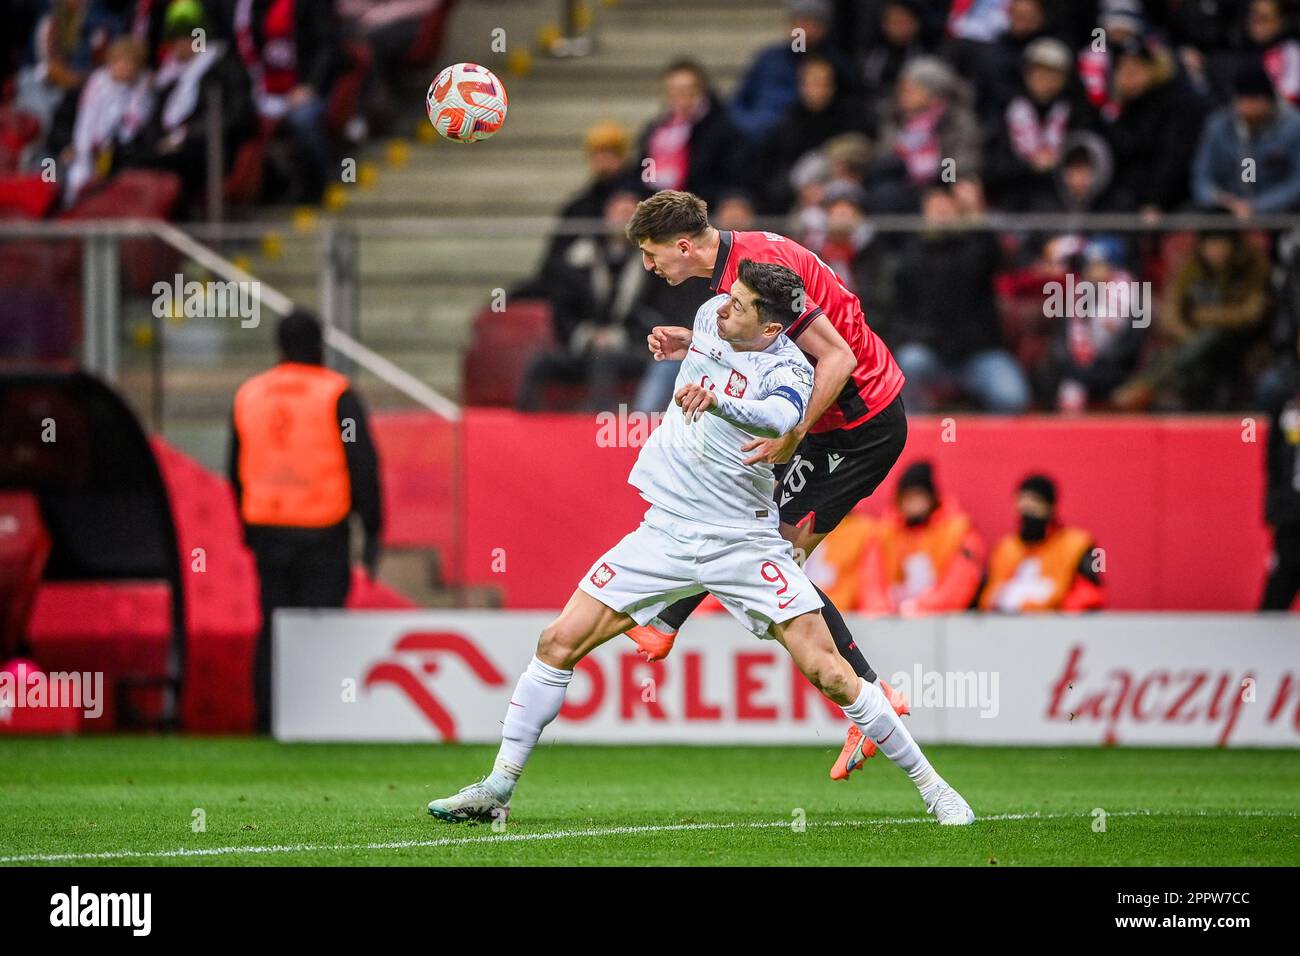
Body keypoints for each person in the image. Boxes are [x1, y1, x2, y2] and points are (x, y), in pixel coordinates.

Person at [427, 262, 974, 826]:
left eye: (740, 304)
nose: (724, 305)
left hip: (741, 540)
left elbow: (776, 417)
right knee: (556, 641)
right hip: (665, 530)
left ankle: (936, 791)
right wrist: (685, 343)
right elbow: (717, 346)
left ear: (771, 329)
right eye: (730, 295)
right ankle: (498, 788)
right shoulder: (713, 315)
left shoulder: (790, 369)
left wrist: (716, 402)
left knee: (832, 674)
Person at [624, 189, 912, 782]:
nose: (649, 266)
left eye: (653, 254)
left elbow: (837, 359)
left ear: (684, 246)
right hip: (826, 426)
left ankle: (873, 695)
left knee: (771, 553)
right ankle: (668, 623)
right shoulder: (741, 264)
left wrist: (793, 432)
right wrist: (695, 343)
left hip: (858, 426)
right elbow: (774, 346)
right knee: (744, 531)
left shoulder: (759, 267)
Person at [227, 311, 383, 732]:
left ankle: (268, 717)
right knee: (323, 627)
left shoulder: (250, 394)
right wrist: (372, 529)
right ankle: (322, 715)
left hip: (267, 527)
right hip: (322, 529)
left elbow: (235, 466)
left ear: (279, 347)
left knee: (274, 623)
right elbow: (362, 463)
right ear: (320, 346)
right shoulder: (336, 395)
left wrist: (247, 526)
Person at [853, 461, 985, 616]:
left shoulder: (959, 531)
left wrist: (919, 608)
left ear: (932, 498)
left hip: (941, 621)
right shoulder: (884, 534)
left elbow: (960, 582)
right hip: (894, 619)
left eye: (919, 496)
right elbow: (870, 582)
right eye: (907, 497)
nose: (913, 504)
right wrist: (880, 610)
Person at [979, 474, 1105, 612]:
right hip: (1008, 622)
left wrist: (1058, 613)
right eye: (1023, 503)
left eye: (1036, 502)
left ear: (1051, 506)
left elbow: (1093, 592)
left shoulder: (1081, 544)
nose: (1028, 510)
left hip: (1057, 622)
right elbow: (989, 594)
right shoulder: (1005, 548)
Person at [1192, 62, 1300, 217]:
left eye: (1255, 100)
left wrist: (1257, 206)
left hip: (1279, 216)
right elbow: (1201, 176)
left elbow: (1296, 184)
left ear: (1269, 100)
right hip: (1225, 215)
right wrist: (1220, 200)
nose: (1248, 107)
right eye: (1243, 101)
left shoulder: (1293, 126)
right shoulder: (1218, 126)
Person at [1260, 322, 1300, 610]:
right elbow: (1273, 455)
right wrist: (1274, 503)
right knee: (1276, 595)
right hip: (1292, 513)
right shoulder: (1285, 393)